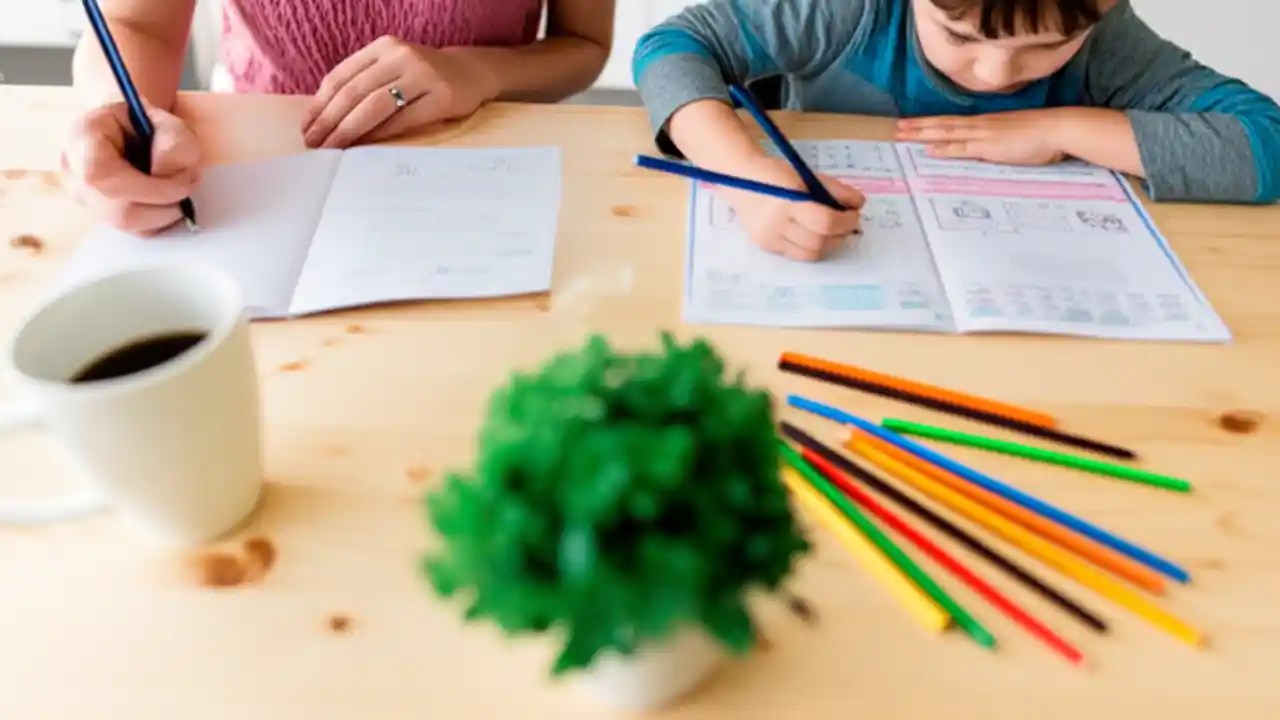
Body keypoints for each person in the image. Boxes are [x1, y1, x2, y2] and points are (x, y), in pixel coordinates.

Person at [633, 0, 1280, 261]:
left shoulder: (1104, 39)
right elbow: (673, 46)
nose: (997, 70)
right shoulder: (850, 8)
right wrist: (744, 177)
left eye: (1048, 46)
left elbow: (1264, 143)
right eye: (960, 36)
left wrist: (1068, 127)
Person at [64, 0, 614, 234]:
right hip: (255, 161)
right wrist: (116, 114)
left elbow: (583, 44)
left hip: (482, 168)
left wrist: (478, 72)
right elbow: (138, 25)